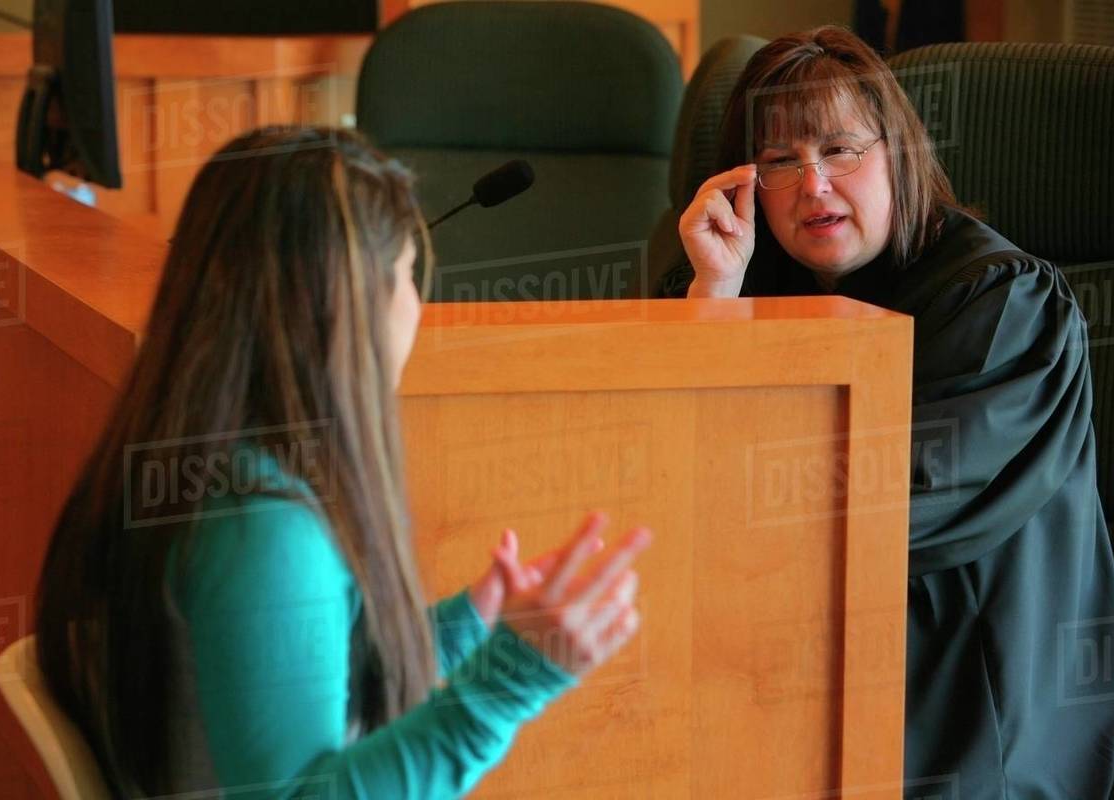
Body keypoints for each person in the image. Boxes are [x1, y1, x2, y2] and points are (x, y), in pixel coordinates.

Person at [34, 127, 651, 799]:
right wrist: (508, 685)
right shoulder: (261, 526)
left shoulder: (200, 464)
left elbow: (279, 686)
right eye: (405, 273)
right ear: (346, 303)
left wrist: (459, 628)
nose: (415, 303)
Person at [673, 25, 1114, 798]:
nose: (813, 185)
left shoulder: (1006, 304)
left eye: (841, 149)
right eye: (780, 161)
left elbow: (874, 503)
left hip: (969, 726)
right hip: (793, 690)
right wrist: (714, 300)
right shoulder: (756, 287)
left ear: (899, 153)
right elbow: (659, 460)